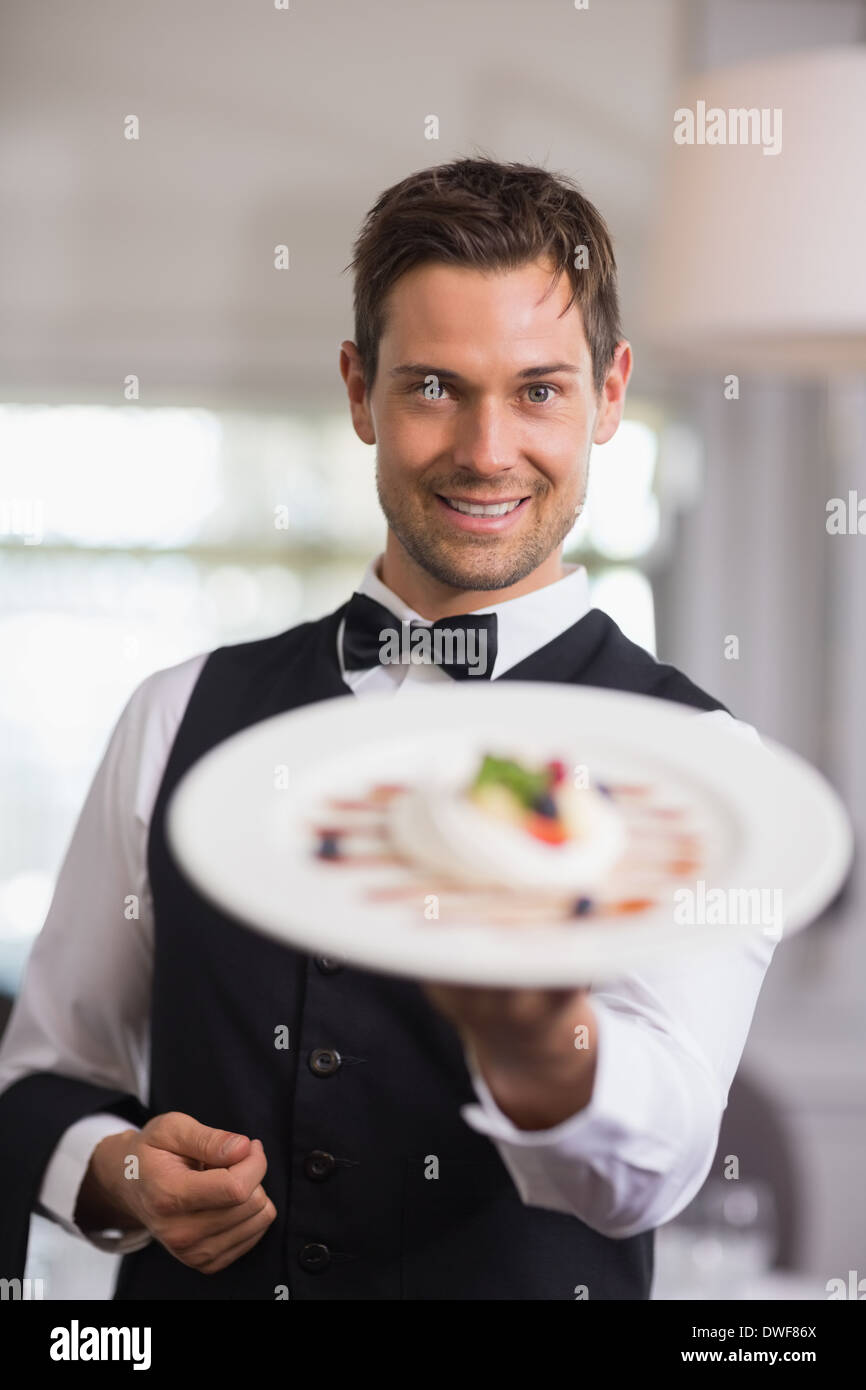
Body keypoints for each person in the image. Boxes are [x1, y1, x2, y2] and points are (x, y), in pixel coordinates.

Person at [0, 156, 776, 1300]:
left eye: (538, 390)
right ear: (359, 390)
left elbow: (647, 1172)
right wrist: (118, 1171)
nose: (485, 447)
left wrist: (542, 1052)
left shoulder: (703, 764)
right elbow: (42, 1079)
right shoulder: (173, 711)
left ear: (609, 393)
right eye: (432, 387)